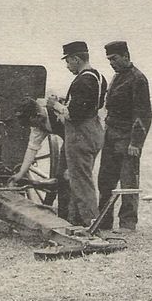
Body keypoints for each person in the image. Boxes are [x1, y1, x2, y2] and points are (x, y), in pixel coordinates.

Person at [48, 41, 107, 227]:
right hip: (95, 130)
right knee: (81, 177)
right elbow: (92, 106)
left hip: (80, 134)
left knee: (81, 181)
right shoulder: (99, 77)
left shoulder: (82, 80)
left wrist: (54, 105)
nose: (67, 66)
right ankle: (77, 220)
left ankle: (90, 223)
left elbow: (73, 114)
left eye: (68, 61)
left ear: (76, 59)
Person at [97, 41, 152, 232]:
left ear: (126, 56)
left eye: (114, 58)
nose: (111, 63)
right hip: (111, 135)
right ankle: (103, 221)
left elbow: (143, 114)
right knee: (105, 180)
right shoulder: (117, 77)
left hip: (127, 137)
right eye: (109, 59)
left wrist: (136, 143)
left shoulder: (138, 79)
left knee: (128, 182)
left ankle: (128, 223)